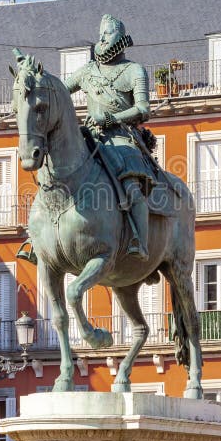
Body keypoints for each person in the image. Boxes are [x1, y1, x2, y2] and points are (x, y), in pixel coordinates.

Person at [63, 14, 156, 261]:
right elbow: (60, 92)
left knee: (132, 188)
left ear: (120, 38)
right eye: (101, 33)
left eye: (108, 32)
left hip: (122, 138)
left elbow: (143, 109)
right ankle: (40, 237)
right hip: (90, 136)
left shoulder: (134, 70)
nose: (102, 38)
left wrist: (113, 119)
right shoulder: (86, 71)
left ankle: (140, 242)